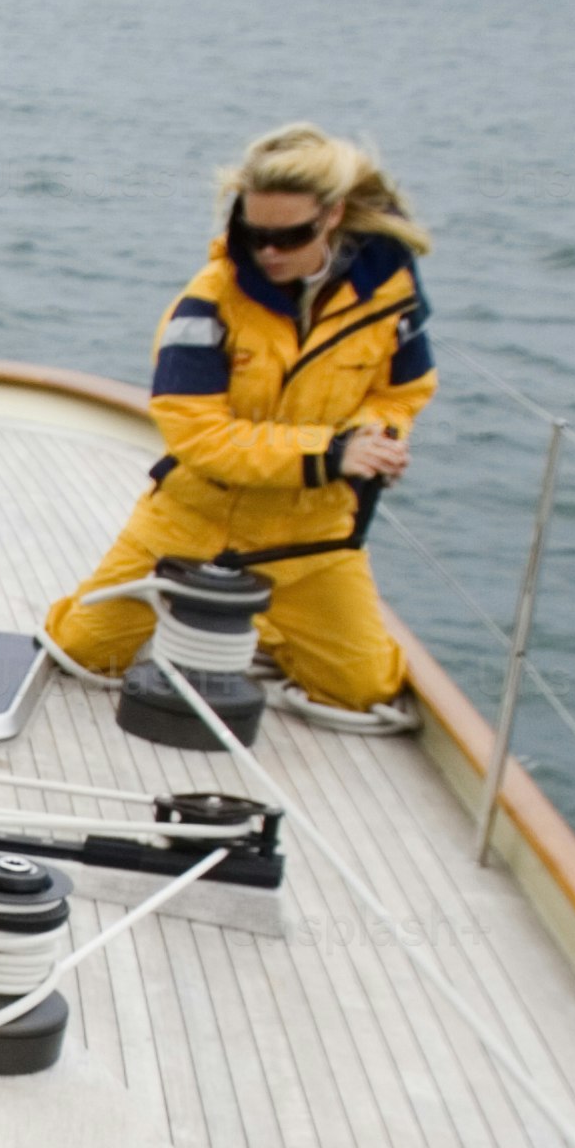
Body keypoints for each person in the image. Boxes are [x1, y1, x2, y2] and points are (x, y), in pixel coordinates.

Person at [40, 123, 438, 733]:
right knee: (83, 652)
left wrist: (375, 439)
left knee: (362, 691)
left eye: (290, 236)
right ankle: (252, 620)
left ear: (331, 217)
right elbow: (197, 435)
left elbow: (401, 390)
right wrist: (331, 453)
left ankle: (269, 624)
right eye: (255, 236)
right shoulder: (206, 304)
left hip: (313, 537)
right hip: (192, 522)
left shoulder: (391, 296)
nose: (269, 252)